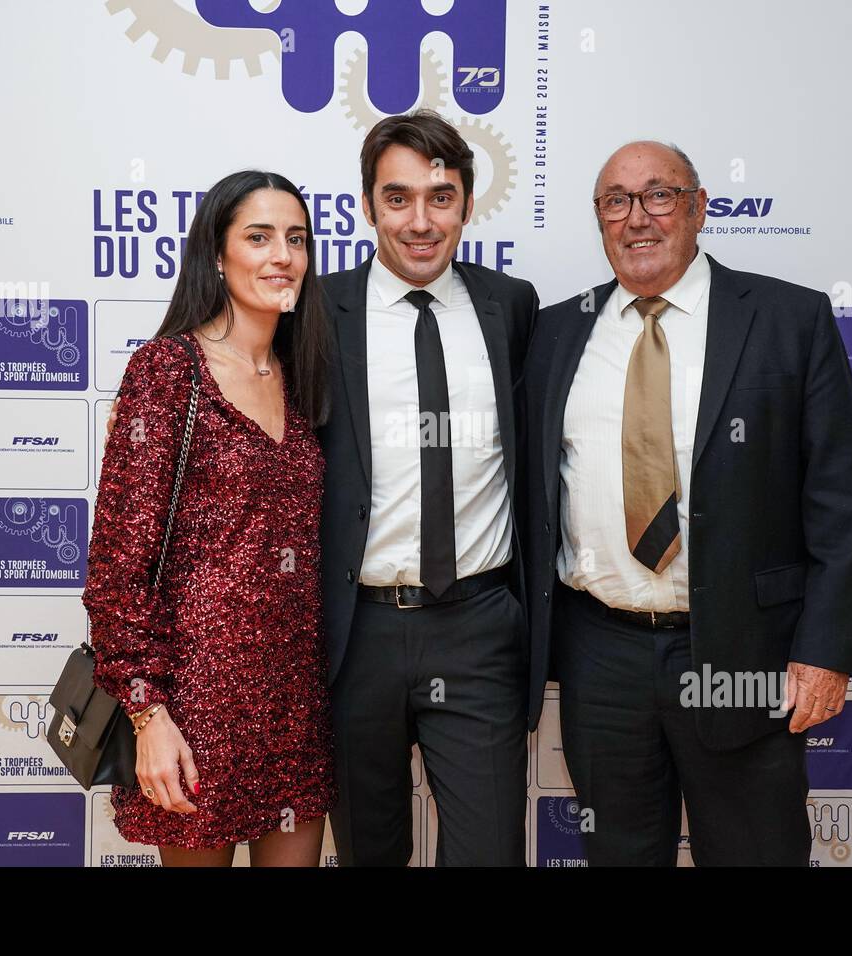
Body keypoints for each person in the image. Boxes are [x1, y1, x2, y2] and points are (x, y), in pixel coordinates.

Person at [523, 141, 852, 866]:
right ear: (600, 219)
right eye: (615, 201)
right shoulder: (559, 330)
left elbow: (842, 500)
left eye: (659, 195)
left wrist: (823, 651)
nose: (637, 218)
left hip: (743, 651)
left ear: (698, 207)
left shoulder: (788, 318)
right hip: (601, 653)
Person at [84, 169, 336, 867]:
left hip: (297, 705)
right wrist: (149, 715)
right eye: (258, 237)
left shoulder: (306, 372)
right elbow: (116, 570)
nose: (281, 256)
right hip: (196, 706)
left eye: (296, 239)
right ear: (217, 256)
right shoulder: (168, 373)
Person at [318, 110, 538, 866]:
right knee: (367, 850)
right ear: (368, 205)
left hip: (476, 625)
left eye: (440, 197)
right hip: (356, 634)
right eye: (399, 197)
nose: (420, 221)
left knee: (489, 852)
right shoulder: (315, 312)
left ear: (468, 205)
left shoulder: (511, 305)